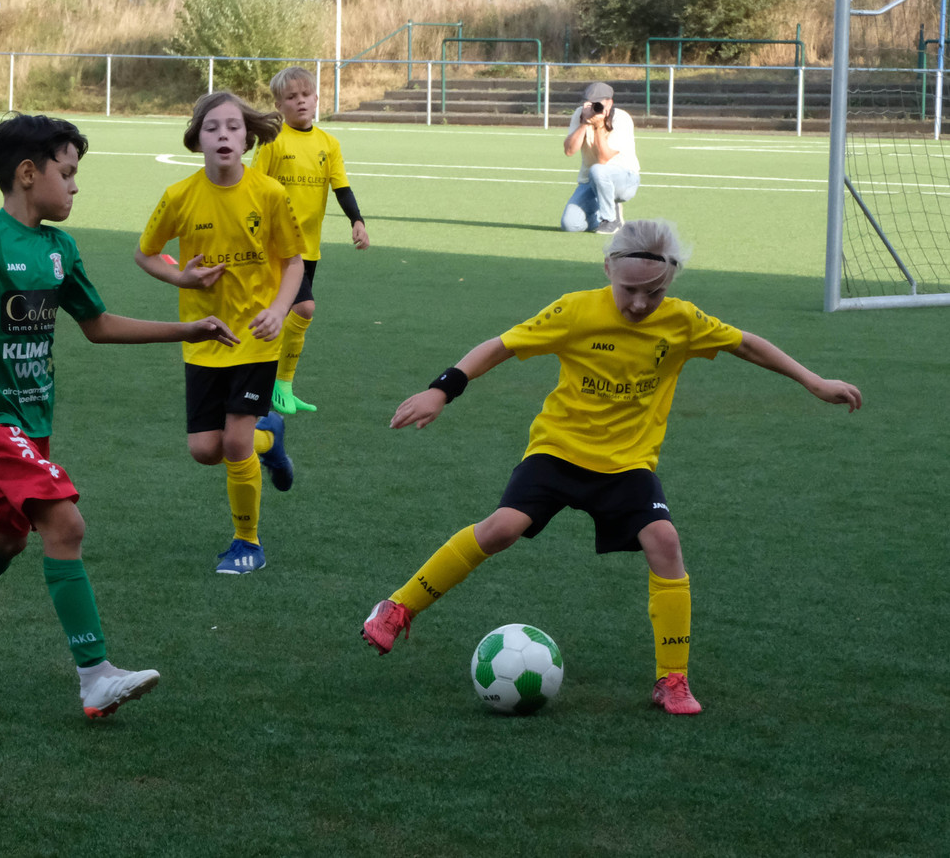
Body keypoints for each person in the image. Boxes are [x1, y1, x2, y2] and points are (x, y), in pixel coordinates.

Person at [359, 220, 862, 715]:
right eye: (629, 290)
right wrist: (441, 389)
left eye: (655, 292)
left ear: (670, 283)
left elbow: (745, 343)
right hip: (558, 450)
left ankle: (672, 679)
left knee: (664, 540)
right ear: (607, 269)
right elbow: (502, 346)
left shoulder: (682, 321)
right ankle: (398, 607)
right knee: (501, 529)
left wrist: (812, 381)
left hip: (627, 465)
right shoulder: (577, 310)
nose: (641, 304)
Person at [0, 113, 237, 719]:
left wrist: (188, 327)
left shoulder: (60, 249)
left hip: (34, 423)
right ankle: (95, 675)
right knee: (67, 526)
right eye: (68, 172)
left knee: (6, 540)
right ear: (29, 174)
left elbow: (98, 325)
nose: (75, 186)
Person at [133, 91, 306, 575]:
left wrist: (277, 308)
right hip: (204, 337)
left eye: (233, 126)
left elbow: (294, 262)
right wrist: (180, 277)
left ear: (247, 138)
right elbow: (145, 253)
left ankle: (247, 542)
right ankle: (270, 437)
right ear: (197, 140)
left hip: (255, 336)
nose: (224, 134)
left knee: (233, 444)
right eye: (213, 128)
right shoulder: (179, 196)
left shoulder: (269, 194)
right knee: (205, 450)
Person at [249, 66, 370, 415]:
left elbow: (341, 187)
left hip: (308, 247)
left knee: (281, 315)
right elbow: (253, 189)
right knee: (304, 308)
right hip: (277, 247)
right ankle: (277, 384)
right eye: (291, 97)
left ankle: (275, 384)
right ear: (279, 105)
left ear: (316, 99)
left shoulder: (328, 144)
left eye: (306, 95)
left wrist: (357, 221)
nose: (300, 101)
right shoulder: (273, 142)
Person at [561, 82, 640, 235]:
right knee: (570, 225)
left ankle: (611, 219)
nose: (592, 106)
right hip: (591, 181)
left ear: (609, 103)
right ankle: (603, 211)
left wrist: (599, 127)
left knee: (598, 169)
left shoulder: (621, 118)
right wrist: (584, 123)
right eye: (588, 102)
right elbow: (569, 151)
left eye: (597, 103)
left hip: (625, 179)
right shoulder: (580, 114)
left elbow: (603, 159)